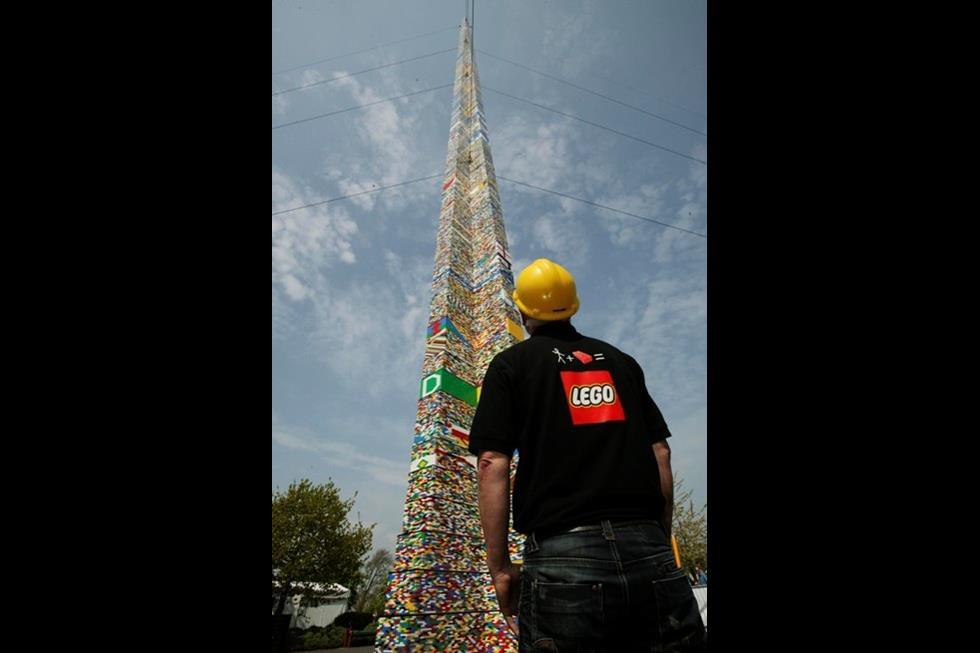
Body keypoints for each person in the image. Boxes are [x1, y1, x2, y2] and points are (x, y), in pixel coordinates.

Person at [469, 258, 706, 652]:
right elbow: (660, 453)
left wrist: (500, 569)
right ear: (574, 305)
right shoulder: (621, 362)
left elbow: (492, 463)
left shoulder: (511, 365)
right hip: (648, 548)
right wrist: (659, 543)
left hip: (562, 560)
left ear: (523, 310)